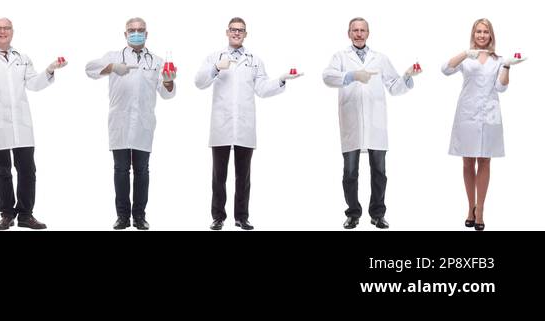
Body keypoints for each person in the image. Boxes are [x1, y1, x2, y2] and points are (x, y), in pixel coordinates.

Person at [0, 18, 67, 230]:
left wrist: (50, 69)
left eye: (6, 28)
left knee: (27, 169)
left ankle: (26, 215)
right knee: (2, 170)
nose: (2, 31)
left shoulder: (22, 57)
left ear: (12, 32)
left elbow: (34, 84)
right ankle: (7, 214)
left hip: (21, 123)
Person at [193, 17, 300, 231]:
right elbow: (199, 82)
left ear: (245, 34)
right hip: (221, 125)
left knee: (243, 176)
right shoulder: (215, 57)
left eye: (240, 30)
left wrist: (281, 79)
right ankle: (218, 217)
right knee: (219, 176)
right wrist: (215, 68)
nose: (236, 33)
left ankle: (241, 217)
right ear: (227, 32)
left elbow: (262, 89)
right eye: (233, 30)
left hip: (244, 126)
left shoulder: (254, 60)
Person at [321, 17, 418, 230]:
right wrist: (352, 75)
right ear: (349, 33)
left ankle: (377, 214)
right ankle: (353, 214)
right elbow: (327, 77)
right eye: (355, 30)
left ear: (368, 33)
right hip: (352, 123)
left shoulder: (380, 58)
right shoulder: (340, 57)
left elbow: (394, 87)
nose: (358, 33)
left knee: (379, 173)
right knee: (350, 173)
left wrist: (408, 76)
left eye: (362, 30)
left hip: (376, 124)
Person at [84, 17, 176, 230]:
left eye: (140, 30)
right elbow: (89, 70)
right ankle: (123, 217)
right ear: (125, 34)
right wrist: (112, 67)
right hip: (120, 123)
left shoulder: (157, 61)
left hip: (144, 123)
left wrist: (169, 81)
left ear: (147, 34)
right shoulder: (114, 56)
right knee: (121, 170)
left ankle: (140, 217)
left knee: (142, 171)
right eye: (132, 30)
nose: (136, 33)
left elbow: (166, 94)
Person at [443, 18, 525, 231]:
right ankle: (471, 206)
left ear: (491, 35)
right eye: (478, 31)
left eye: (485, 32)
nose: (481, 35)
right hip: (467, 114)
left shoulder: (497, 59)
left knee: (485, 161)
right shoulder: (466, 58)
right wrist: (465, 53)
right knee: (467, 162)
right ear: (473, 34)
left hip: (489, 116)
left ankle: (481, 211)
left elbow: (501, 87)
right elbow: (445, 69)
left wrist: (507, 65)